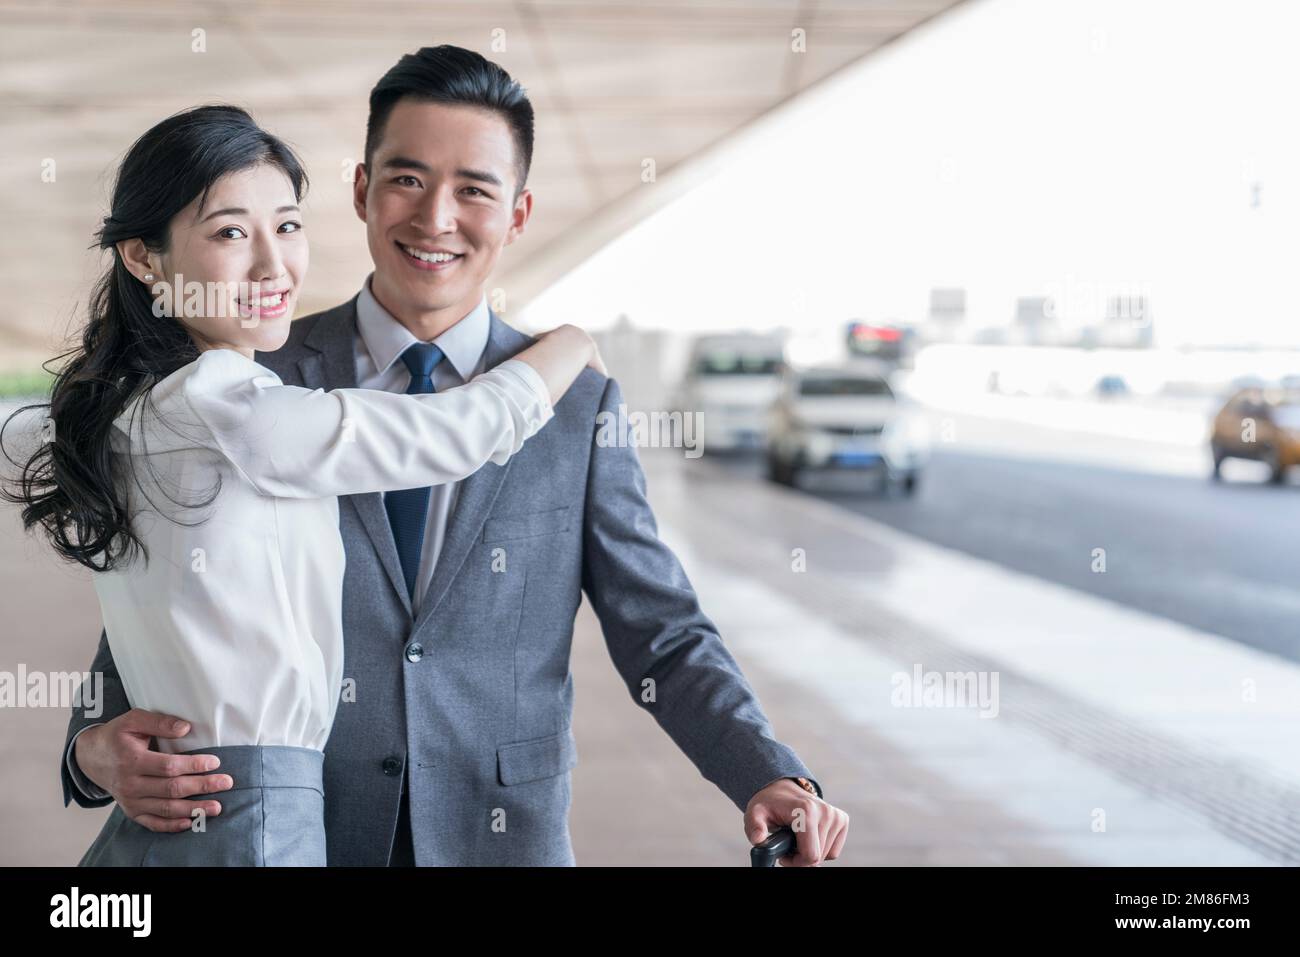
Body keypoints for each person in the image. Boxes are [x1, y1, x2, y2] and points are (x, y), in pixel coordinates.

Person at [61, 46, 849, 866]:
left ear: (517, 213)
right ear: (361, 190)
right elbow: (160, 601)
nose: (436, 217)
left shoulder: (577, 407)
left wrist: (765, 770)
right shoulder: (250, 378)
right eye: (407, 179)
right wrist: (91, 746)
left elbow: (662, 629)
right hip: (304, 833)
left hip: (499, 837)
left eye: (474, 189)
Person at [1, 104, 602, 865]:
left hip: (175, 819)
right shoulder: (235, 406)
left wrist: (92, 745)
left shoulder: (118, 411)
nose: (271, 265)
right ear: (145, 259)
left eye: (286, 226)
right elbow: (458, 433)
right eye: (228, 233)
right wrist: (574, 343)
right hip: (253, 823)